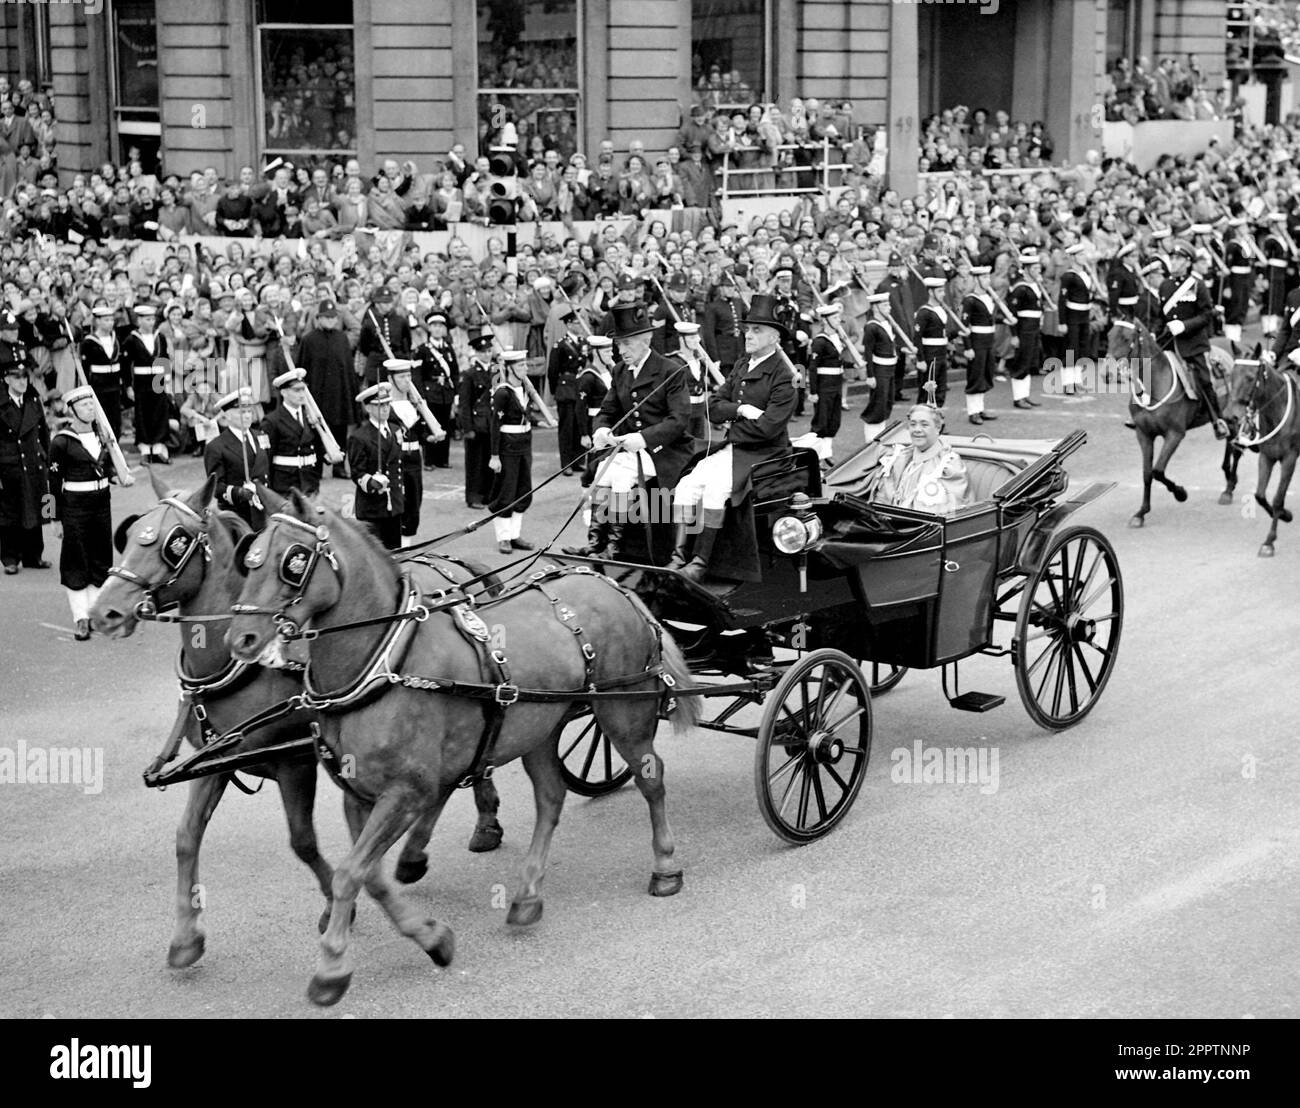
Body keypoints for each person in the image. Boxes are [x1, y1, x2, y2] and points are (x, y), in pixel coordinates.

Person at [668, 293, 796, 581]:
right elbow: (713, 408)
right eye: (748, 329)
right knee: (687, 485)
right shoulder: (741, 364)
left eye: (757, 330)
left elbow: (768, 429)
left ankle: (700, 563)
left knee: (715, 489)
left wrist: (732, 422)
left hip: (765, 453)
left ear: (774, 337)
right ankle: (677, 557)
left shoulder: (784, 375)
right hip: (736, 449)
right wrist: (742, 409)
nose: (748, 335)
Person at [577, 302, 693, 559]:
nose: (622, 351)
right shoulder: (620, 371)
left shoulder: (670, 371)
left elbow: (679, 420)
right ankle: (596, 543)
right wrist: (602, 430)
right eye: (619, 345)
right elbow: (607, 411)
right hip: (630, 450)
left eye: (628, 344)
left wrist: (643, 438)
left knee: (619, 474)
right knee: (603, 475)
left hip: (665, 450)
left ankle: (614, 547)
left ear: (646, 339)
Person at [48, 385, 133, 638]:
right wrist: (53, 518)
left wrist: (120, 477)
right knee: (76, 561)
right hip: (75, 506)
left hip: (101, 503)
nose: (90, 408)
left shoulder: (102, 436)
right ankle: (81, 617)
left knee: (100, 558)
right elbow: (50, 484)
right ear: (72, 410)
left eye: (91, 404)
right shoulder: (62, 441)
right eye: (85, 405)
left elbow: (105, 469)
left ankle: (96, 612)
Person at [1162, 242, 1229, 439]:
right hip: (1168, 341)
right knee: (1146, 368)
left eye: (1178, 259)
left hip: (1192, 342)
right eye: (1172, 258)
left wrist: (1184, 325)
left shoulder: (1197, 285)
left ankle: (1217, 420)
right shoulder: (1165, 286)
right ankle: (1141, 411)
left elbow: (1207, 314)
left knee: (1204, 380)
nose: (1173, 262)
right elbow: (1161, 314)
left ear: (1188, 262)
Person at [383, 358, 442, 546]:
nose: (407, 380)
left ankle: (407, 547)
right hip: (395, 461)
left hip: (414, 459)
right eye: (401, 377)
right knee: (396, 505)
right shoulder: (385, 406)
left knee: (413, 505)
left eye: (409, 375)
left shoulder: (414, 404)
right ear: (390, 379)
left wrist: (429, 438)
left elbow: (419, 432)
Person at [0, 357, 51, 574]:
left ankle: (33, 555)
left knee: (34, 507)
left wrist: (48, 459)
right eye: (17, 377)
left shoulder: (32, 399)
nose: (22, 382)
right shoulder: (2, 403)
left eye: (25, 377)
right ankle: (10, 558)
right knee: (9, 512)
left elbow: (43, 431)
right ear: (6, 379)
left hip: (32, 461)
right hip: (9, 462)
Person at [874, 404, 971, 515]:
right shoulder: (901, 457)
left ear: (938, 428)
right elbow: (883, 499)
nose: (917, 430)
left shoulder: (949, 465)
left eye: (924, 425)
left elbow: (945, 511)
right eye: (913, 424)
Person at [295, 300, 354, 479]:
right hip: (318, 393)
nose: (330, 320)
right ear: (318, 318)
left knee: (340, 430)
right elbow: (302, 367)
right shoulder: (308, 339)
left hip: (339, 393)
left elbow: (348, 367)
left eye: (333, 317)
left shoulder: (342, 338)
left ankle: (339, 466)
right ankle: (317, 466)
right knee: (316, 431)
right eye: (326, 317)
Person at [487, 349, 535, 555]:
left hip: (524, 443)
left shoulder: (525, 388)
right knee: (506, 491)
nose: (525, 369)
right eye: (520, 366)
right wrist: (495, 455)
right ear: (509, 369)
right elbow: (494, 425)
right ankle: (503, 537)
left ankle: (515, 535)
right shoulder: (502, 392)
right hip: (507, 445)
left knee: (523, 490)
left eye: (525, 365)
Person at [347, 382, 405, 550]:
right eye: (379, 405)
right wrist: (371, 482)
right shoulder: (360, 437)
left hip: (393, 503)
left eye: (387, 404)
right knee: (375, 556)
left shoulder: (395, 430)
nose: (385, 408)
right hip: (372, 507)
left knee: (396, 553)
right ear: (368, 408)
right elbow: (357, 472)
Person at [204, 387, 270, 530]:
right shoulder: (216, 447)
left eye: (249, 411)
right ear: (227, 416)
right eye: (242, 412)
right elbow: (215, 487)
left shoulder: (261, 436)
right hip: (237, 517)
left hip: (264, 511)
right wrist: (239, 492)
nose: (247, 416)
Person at [122, 304, 172, 462]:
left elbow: (164, 357)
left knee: (159, 412)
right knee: (142, 414)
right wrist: (128, 386)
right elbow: (126, 365)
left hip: (158, 379)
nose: (151, 323)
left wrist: (167, 378)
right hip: (141, 381)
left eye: (153, 319)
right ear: (139, 321)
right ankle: (145, 449)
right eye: (147, 319)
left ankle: (158, 448)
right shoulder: (131, 339)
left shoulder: (159, 337)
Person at [264, 367, 324, 496]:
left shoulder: (311, 417)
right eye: (297, 390)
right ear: (284, 393)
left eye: (303, 389)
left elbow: (318, 449)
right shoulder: (272, 421)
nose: (302, 394)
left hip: (309, 482)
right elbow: (266, 458)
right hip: (285, 485)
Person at [805, 303, 849, 464]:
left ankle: (826, 453)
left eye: (838, 317)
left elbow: (836, 361)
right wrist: (813, 392)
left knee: (833, 421)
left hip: (836, 384)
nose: (838, 320)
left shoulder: (836, 338)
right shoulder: (820, 341)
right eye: (835, 317)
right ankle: (812, 455)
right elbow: (812, 367)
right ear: (825, 320)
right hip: (824, 386)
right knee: (820, 423)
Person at [459, 325, 496, 510]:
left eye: (489, 351)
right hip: (476, 423)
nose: (487, 355)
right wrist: (467, 428)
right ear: (476, 354)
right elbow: (465, 404)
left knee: (490, 460)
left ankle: (488, 494)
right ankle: (473, 495)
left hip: (491, 422)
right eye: (483, 352)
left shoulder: (496, 372)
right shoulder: (470, 374)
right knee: (475, 463)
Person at [415, 311, 458, 469]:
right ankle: (429, 460)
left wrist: (456, 393)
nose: (438, 329)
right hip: (430, 392)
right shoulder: (423, 350)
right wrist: (421, 395)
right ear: (429, 329)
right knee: (431, 425)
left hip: (446, 392)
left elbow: (454, 371)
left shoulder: (448, 349)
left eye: (441, 326)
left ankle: (442, 459)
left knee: (445, 425)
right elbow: (417, 375)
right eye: (434, 326)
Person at [79, 305, 128, 438]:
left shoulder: (115, 340)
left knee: (115, 420)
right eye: (106, 320)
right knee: (101, 419)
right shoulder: (89, 342)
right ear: (98, 321)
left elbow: (122, 365)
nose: (110, 323)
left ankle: (115, 447)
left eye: (111, 320)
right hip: (99, 386)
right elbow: (85, 368)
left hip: (114, 386)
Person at [547, 306, 585, 475]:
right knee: (567, 426)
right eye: (576, 322)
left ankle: (578, 459)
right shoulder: (560, 345)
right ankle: (566, 462)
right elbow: (552, 371)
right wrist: (556, 390)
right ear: (569, 324)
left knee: (579, 424)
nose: (579, 325)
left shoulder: (584, 343)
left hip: (580, 386)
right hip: (566, 386)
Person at [1006, 249, 1045, 410]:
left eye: (1039, 268)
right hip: (1024, 329)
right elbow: (1011, 312)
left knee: (1029, 362)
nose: (1038, 271)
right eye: (1035, 268)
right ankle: (1018, 397)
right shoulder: (1020, 288)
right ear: (1027, 269)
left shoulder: (1035, 285)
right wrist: (1014, 335)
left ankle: (1024, 395)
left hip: (1034, 328)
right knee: (1021, 362)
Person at [960, 268, 999, 426]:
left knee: (986, 373)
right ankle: (973, 412)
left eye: (988, 276)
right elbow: (963, 325)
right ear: (976, 280)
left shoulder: (988, 297)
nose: (987, 280)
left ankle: (980, 408)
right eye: (984, 277)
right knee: (975, 375)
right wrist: (968, 347)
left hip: (988, 341)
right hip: (976, 341)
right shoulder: (970, 300)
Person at [913, 270, 955, 408]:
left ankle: (936, 421)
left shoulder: (941, 310)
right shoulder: (924, 312)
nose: (943, 294)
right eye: (940, 291)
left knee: (940, 390)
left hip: (941, 353)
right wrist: (920, 359)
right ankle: (921, 420)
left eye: (943, 291)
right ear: (931, 292)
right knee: (928, 391)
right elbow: (917, 337)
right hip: (930, 354)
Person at [858, 291, 895, 441]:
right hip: (879, 369)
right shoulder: (871, 327)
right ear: (875, 308)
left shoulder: (886, 323)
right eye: (885, 305)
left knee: (887, 402)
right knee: (877, 404)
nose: (889, 308)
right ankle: (871, 440)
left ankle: (882, 436)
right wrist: (870, 375)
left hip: (890, 368)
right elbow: (868, 352)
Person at [358, 285, 410, 385]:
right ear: (377, 304)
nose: (387, 305)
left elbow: (406, 342)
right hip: (377, 364)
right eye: (384, 302)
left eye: (389, 302)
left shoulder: (401, 321)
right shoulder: (369, 323)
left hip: (396, 360)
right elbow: (364, 346)